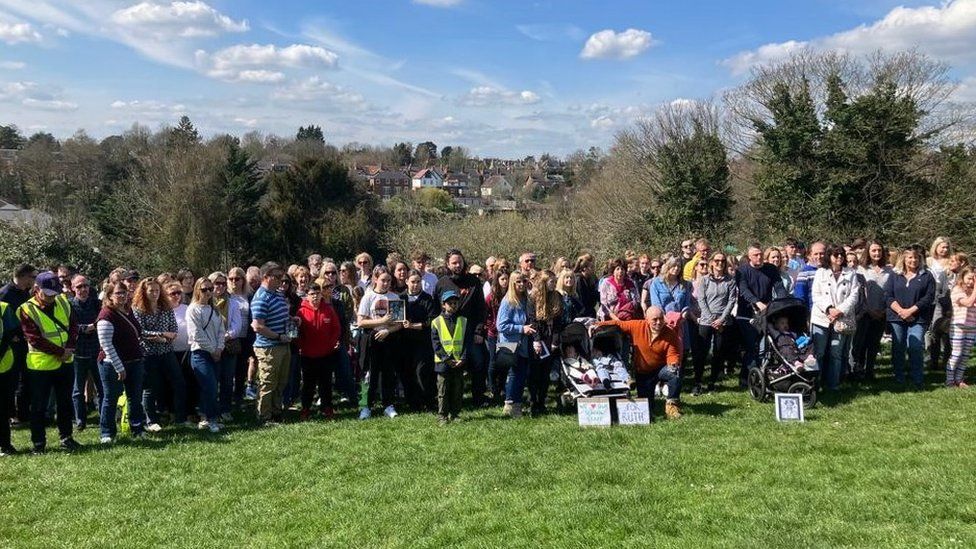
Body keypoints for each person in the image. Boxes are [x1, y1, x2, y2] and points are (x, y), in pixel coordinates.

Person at [17, 271, 81, 453]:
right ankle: (39, 444)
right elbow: (34, 338)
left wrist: (69, 347)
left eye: (55, 293)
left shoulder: (62, 300)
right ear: (37, 289)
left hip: (65, 362)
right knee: (38, 406)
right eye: (48, 294)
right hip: (40, 366)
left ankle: (66, 438)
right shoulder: (26, 309)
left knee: (65, 403)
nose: (52, 297)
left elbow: (73, 325)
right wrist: (60, 352)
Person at [594, 306, 683, 419]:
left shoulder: (670, 333)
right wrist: (597, 325)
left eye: (661, 318)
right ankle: (650, 405)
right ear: (646, 319)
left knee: (675, 372)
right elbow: (619, 324)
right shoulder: (637, 326)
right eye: (654, 319)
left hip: (660, 369)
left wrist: (673, 363)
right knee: (646, 406)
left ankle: (672, 406)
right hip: (643, 372)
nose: (659, 322)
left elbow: (673, 354)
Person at [433, 249, 489, 407]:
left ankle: (478, 398)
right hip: (449, 335)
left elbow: (481, 309)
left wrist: (479, 331)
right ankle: (450, 401)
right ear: (448, 264)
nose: (458, 265)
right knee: (449, 368)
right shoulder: (441, 283)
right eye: (454, 263)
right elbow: (437, 310)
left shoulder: (473, 281)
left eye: (460, 262)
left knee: (478, 363)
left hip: (471, 332)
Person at [132, 277, 186, 431]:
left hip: (167, 352)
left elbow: (174, 330)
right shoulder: (138, 309)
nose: (155, 293)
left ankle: (180, 418)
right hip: (149, 354)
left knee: (179, 383)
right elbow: (140, 332)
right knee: (150, 388)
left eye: (157, 290)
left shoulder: (166, 307)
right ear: (144, 292)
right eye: (151, 291)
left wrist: (162, 337)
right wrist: (162, 334)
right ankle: (151, 421)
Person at [95, 280, 146, 443]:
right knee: (110, 398)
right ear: (109, 296)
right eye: (118, 293)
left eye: (124, 293)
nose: (122, 296)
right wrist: (119, 367)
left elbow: (138, 332)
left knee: (135, 398)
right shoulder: (106, 315)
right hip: (112, 364)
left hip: (135, 361)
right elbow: (107, 345)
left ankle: (137, 428)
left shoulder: (128, 311)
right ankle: (107, 433)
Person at [810, 245, 861, 391]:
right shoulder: (821, 272)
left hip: (841, 319)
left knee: (836, 353)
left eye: (841, 255)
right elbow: (816, 295)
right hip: (821, 318)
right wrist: (829, 309)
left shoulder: (851, 273)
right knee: (818, 352)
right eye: (835, 255)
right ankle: (816, 384)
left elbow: (854, 295)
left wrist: (839, 311)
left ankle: (834, 384)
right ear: (829, 256)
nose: (839, 257)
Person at [885, 247, 936, 390]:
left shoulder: (926, 275)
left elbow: (928, 297)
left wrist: (911, 311)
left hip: (918, 318)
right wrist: (901, 311)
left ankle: (917, 378)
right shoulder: (895, 274)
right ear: (904, 259)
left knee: (915, 346)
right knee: (898, 347)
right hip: (896, 317)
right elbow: (888, 295)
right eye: (909, 258)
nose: (913, 260)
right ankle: (899, 377)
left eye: (916, 258)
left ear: (920, 259)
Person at [735, 244, 785, 387]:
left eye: (760, 254)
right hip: (747, 314)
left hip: (766, 313)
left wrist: (783, 301)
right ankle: (750, 379)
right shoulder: (742, 271)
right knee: (753, 347)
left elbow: (779, 288)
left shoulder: (771, 269)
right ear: (749, 257)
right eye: (755, 255)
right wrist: (757, 302)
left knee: (764, 348)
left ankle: (754, 377)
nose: (759, 257)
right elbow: (744, 290)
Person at [250, 262, 293, 425]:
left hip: (282, 345)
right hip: (268, 347)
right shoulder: (261, 297)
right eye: (277, 277)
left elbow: (281, 315)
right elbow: (258, 326)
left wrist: (291, 320)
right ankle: (264, 416)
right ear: (266, 277)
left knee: (280, 382)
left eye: (282, 277)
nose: (281, 281)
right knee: (268, 382)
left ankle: (276, 412)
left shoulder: (279, 294)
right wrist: (278, 336)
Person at [357, 266, 402, 419]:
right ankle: (365, 406)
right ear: (376, 279)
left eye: (389, 280)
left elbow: (399, 323)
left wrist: (388, 330)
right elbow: (361, 322)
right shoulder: (368, 297)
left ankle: (388, 404)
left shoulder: (394, 297)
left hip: (388, 339)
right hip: (371, 339)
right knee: (369, 373)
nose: (386, 283)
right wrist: (381, 321)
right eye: (383, 280)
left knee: (388, 373)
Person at [296, 282, 344, 420]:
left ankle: (327, 408)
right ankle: (305, 409)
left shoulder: (328, 310)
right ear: (307, 296)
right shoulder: (301, 312)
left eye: (317, 293)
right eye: (312, 294)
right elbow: (297, 332)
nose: (315, 297)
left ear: (321, 294)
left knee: (326, 383)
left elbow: (336, 328)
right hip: (307, 355)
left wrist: (331, 344)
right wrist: (301, 346)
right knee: (308, 385)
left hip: (326, 354)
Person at [694, 253, 737, 395]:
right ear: (712, 262)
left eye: (723, 261)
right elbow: (701, 300)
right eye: (717, 261)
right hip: (707, 320)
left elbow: (731, 301)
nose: (720, 263)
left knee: (718, 353)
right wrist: (711, 318)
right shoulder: (704, 280)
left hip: (723, 321)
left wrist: (721, 319)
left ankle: (712, 382)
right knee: (702, 352)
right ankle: (698, 381)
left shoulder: (730, 281)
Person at [186, 277, 225, 432]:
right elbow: (197, 334)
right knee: (209, 386)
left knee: (213, 387)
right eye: (204, 289)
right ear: (197, 290)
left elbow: (222, 331)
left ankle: (208, 417)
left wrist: (220, 348)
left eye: (210, 289)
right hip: (200, 353)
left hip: (216, 352)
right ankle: (210, 418)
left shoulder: (214, 309)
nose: (208, 292)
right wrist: (212, 349)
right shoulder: (193, 309)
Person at [0, 263, 36, 425]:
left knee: (25, 379)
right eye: (32, 277)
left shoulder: (25, 293)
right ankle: (10, 415)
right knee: (12, 381)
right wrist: (11, 335)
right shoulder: (5, 294)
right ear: (23, 276)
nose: (33, 280)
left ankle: (23, 415)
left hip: (25, 343)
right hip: (10, 346)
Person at [496, 272, 535, 418]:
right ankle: (510, 404)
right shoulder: (508, 301)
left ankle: (517, 405)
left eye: (523, 281)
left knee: (521, 374)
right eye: (517, 282)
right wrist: (521, 328)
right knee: (514, 374)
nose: (521, 284)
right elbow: (501, 325)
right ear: (512, 283)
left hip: (523, 344)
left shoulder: (525, 299)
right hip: (511, 344)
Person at [853, 241, 892, 381]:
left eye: (879, 250)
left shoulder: (889, 271)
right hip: (865, 313)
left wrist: (884, 310)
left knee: (874, 343)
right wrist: (868, 310)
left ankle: (870, 370)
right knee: (861, 343)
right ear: (868, 252)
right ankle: (859, 370)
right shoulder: (861, 269)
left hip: (882, 313)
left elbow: (891, 293)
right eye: (874, 250)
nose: (877, 253)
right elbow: (858, 293)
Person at [400, 270, 438, 411]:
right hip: (405, 343)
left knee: (422, 371)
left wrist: (414, 326)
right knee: (408, 372)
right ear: (407, 282)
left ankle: (428, 401)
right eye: (412, 282)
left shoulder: (427, 299)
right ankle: (413, 403)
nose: (415, 285)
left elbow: (432, 320)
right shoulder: (400, 298)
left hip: (423, 342)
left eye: (418, 282)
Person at [431, 290, 470, 425]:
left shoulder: (463, 321)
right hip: (443, 363)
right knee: (443, 390)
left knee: (457, 390)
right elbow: (436, 344)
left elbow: (466, 341)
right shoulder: (436, 322)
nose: (453, 305)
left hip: (459, 362)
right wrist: (447, 359)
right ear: (443, 305)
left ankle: (455, 414)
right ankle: (442, 415)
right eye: (450, 303)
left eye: (455, 303)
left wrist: (463, 358)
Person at [68, 275, 101, 430]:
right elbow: (67, 325)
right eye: (79, 286)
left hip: (96, 351)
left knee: (101, 388)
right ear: (73, 288)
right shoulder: (68, 306)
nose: (83, 289)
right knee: (77, 390)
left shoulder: (96, 304)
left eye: (85, 286)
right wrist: (83, 328)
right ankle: (80, 420)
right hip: (78, 352)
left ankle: (104, 416)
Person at [210, 272, 243, 421]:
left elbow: (238, 325)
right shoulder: (205, 302)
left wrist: (225, 336)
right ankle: (212, 410)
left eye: (223, 283)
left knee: (228, 380)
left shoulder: (234, 303)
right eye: (217, 283)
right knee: (212, 380)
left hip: (228, 346)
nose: (220, 286)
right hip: (210, 347)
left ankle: (225, 409)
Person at [528, 270, 562, 415]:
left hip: (549, 338)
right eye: (551, 282)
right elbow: (532, 320)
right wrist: (536, 340)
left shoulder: (557, 296)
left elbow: (558, 322)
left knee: (545, 373)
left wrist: (555, 341)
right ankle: (533, 401)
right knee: (534, 372)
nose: (554, 284)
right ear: (543, 282)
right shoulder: (533, 298)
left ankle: (541, 401)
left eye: (555, 282)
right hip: (536, 338)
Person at [166, 281, 196, 419]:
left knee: (189, 382)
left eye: (179, 293)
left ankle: (190, 411)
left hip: (187, 351)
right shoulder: (163, 311)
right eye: (173, 293)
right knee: (172, 383)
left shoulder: (187, 308)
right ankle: (173, 411)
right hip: (170, 352)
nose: (176, 296)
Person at [927, 237, 953, 372]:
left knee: (947, 331)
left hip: (948, 298)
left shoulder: (952, 261)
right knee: (933, 331)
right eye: (942, 247)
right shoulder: (929, 261)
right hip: (930, 297)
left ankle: (946, 360)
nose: (945, 250)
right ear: (935, 247)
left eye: (947, 247)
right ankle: (933, 359)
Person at [946, 267, 976, 387]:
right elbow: (968, 303)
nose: (971, 282)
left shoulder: (973, 291)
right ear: (962, 277)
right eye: (969, 278)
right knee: (956, 353)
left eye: (973, 279)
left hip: (972, 326)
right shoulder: (957, 290)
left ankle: (959, 379)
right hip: (958, 326)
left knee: (965, 355)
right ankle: (949, 380)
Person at [227, 267, 252, 406]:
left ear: (243, 280)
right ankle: (227, 396)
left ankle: (238, 396)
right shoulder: (227, 296)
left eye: (237, 279)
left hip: (245, 336)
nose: (234, 281)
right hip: (231, 337)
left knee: (242, 368)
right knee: (230, 368)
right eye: (231, 279)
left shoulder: (248, 295)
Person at [485, 270, 510, 402]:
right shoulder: (491, 297)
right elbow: (486, 313)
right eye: (502, 279)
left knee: (505, 362)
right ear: (497, 281)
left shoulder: (511, 296)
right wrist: (492, 326)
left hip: (507, 335)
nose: (505, 282)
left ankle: (502, 388)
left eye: (507, 279)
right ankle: (492, 388)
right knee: (493, 361)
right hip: (494, 334)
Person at [0, 296, 19, 455]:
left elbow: (11, 333)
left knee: (3, 408)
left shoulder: (4, 308)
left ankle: (5, 444)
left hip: (4, 365)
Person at [793, 241, 826, 309]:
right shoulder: (805, 272)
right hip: (812, 312)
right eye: (816, 254)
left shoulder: (830, 270)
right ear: (810, 255)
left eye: (822, 253)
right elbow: (800, 295)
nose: (819, 256)